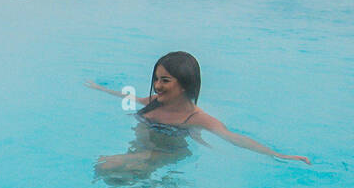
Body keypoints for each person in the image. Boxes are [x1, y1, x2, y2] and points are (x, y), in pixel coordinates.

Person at [85, 51, 310, 173]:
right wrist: (99, 89)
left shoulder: (195, 118)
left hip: (164, 156)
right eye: (155, 79)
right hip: (140, 152)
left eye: (165, 80)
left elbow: (233, 138)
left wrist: (279, 155)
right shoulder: (154, 101)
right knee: (106, 171)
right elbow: (129, 98)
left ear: (184, 85)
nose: (157, 85)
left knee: (108, 167)